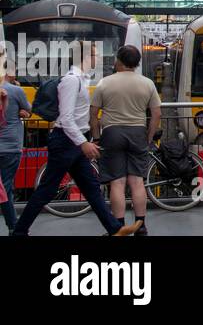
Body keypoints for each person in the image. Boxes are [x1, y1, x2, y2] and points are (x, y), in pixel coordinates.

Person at [11, 41, 139, 236]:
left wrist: (82, 141)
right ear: (86, 57)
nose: (97, 59)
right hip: (65, 142)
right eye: (95, 55)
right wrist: (83, 142)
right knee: (47, 189)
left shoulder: (80, 79)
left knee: (91, 188)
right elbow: (67, 117)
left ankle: (115, 229)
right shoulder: (72, 81)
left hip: (72, 142)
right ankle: (19, 231)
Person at [91, 46, 162, 237]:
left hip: (112, 133)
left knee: (117, 182)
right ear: (137, 62)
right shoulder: (147, 84)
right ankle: (141, 226)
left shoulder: (105, 83)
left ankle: (119, 227)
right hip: (138, 132)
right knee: (137, 181)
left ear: (119, 60)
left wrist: (97, 137)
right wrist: (148, 136)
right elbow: (156, 114)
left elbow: (93, 115)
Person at [0, 58, 31, 232]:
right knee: (5, 187)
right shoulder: (15, 90)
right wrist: (22, 111)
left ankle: (14, 226)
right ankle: (14, 227)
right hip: (10, 146)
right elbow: (29, 109)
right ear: (10, 72)